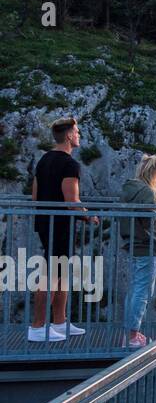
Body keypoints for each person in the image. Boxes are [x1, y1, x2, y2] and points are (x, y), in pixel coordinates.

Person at [29, 116, 97, 343]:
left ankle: (60, 322)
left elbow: (35, 196)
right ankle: (37, 327)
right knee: (51, 276)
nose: (79, 135)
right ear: (68, 136)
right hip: (59, 225)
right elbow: (72, 201)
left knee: (61, 274)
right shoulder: (69, 164)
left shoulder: (43, 160)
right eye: (77, 132)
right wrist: (90, 217)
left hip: (45, 223)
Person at [120, 154, 156, 350]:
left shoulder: (130, 189)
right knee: (143, 291)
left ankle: (130, 332)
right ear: (153, 173)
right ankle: (131, 337)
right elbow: (150, 222)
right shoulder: (148, 193)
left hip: (133, 243)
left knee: (135, 288)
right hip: (148, 246)